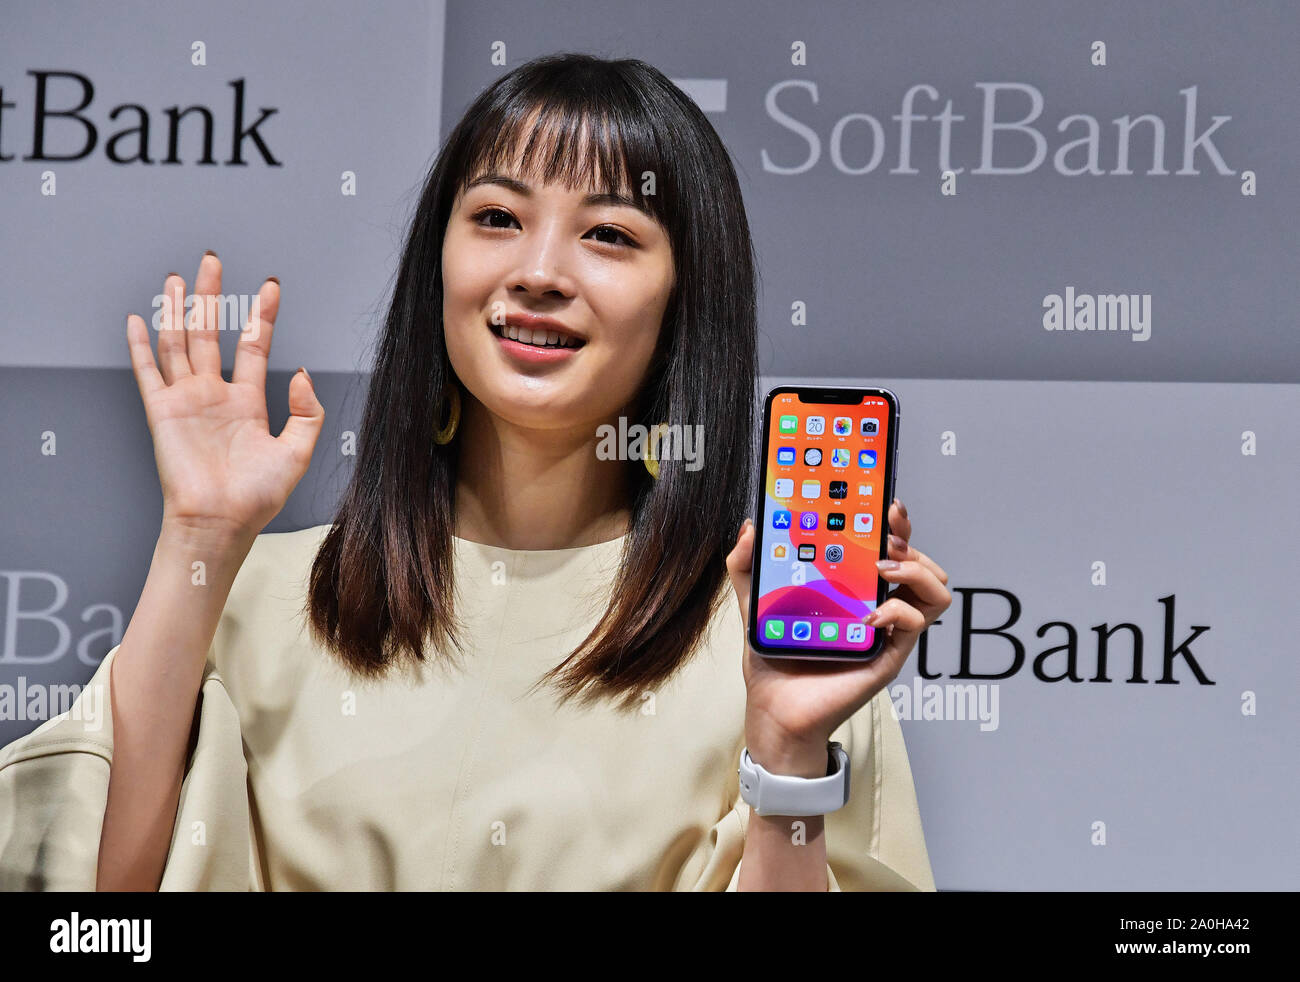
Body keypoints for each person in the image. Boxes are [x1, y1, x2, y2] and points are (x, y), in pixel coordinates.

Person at [0, 52, 951, 891]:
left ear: (684, 302)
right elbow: (96, 911)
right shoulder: (256, 595)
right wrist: (199, 541)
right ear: (437, 263)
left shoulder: (769, 643)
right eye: (497, 216)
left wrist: (785, 747)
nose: (538, 270)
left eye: (609, 234)